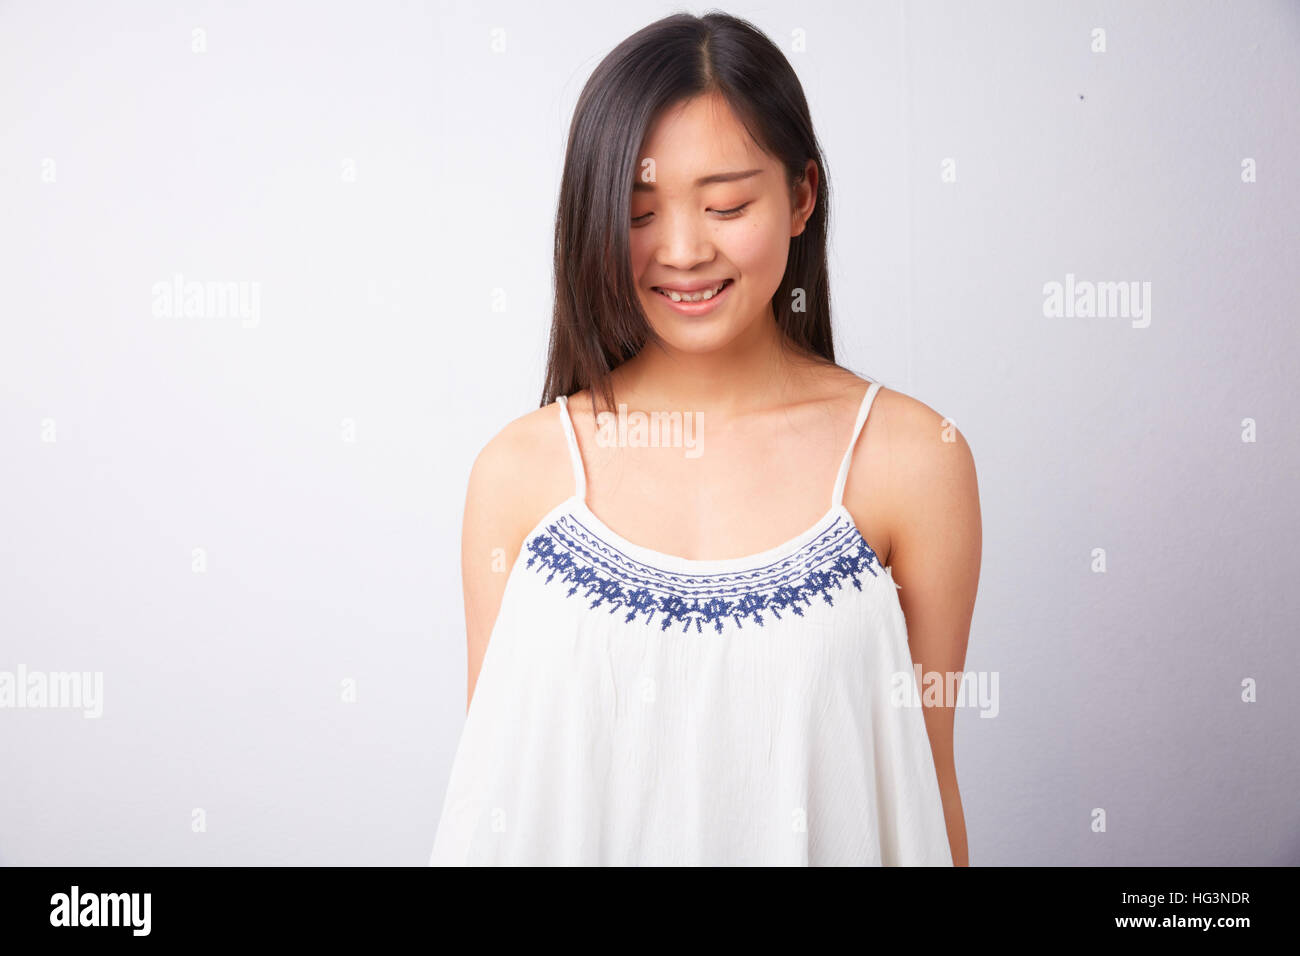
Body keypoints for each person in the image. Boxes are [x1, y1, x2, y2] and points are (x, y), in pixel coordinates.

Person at [430, 11, 981, 866]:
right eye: (639, 212)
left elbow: (922, 793)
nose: (683, 251)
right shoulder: (521, 474)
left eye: (726, 204)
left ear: (802, 197)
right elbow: (501, 800)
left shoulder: (910, 460)